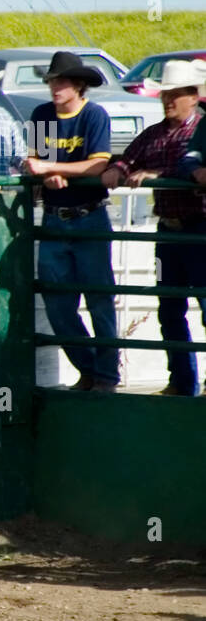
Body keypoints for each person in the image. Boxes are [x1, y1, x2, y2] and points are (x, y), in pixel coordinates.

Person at [22, 51, 118, 393]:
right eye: (52, 81)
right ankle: (91, 368)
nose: (54, 87)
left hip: (88, 216)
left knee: (99, 300)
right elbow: (35, 163)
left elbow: (97, 166)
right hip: (55, 219)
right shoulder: (43, 115)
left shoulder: (93, 115)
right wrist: (45, 174)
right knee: (59, 306)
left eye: (61, 81)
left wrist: (51, 169)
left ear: (79, 85)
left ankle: (105, 376)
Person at [113, 59, 206, 395]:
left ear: (193, 96)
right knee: (170, 309)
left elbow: (189, 167)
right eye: (165, 94)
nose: (168, 100)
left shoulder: (200, 132)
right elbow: (127, 158)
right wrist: (119, 169)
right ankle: (182, 381)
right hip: (168, 231)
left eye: (176, 94)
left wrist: (156, 176)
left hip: (199, 228)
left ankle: (189, 381)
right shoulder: (154, 134)